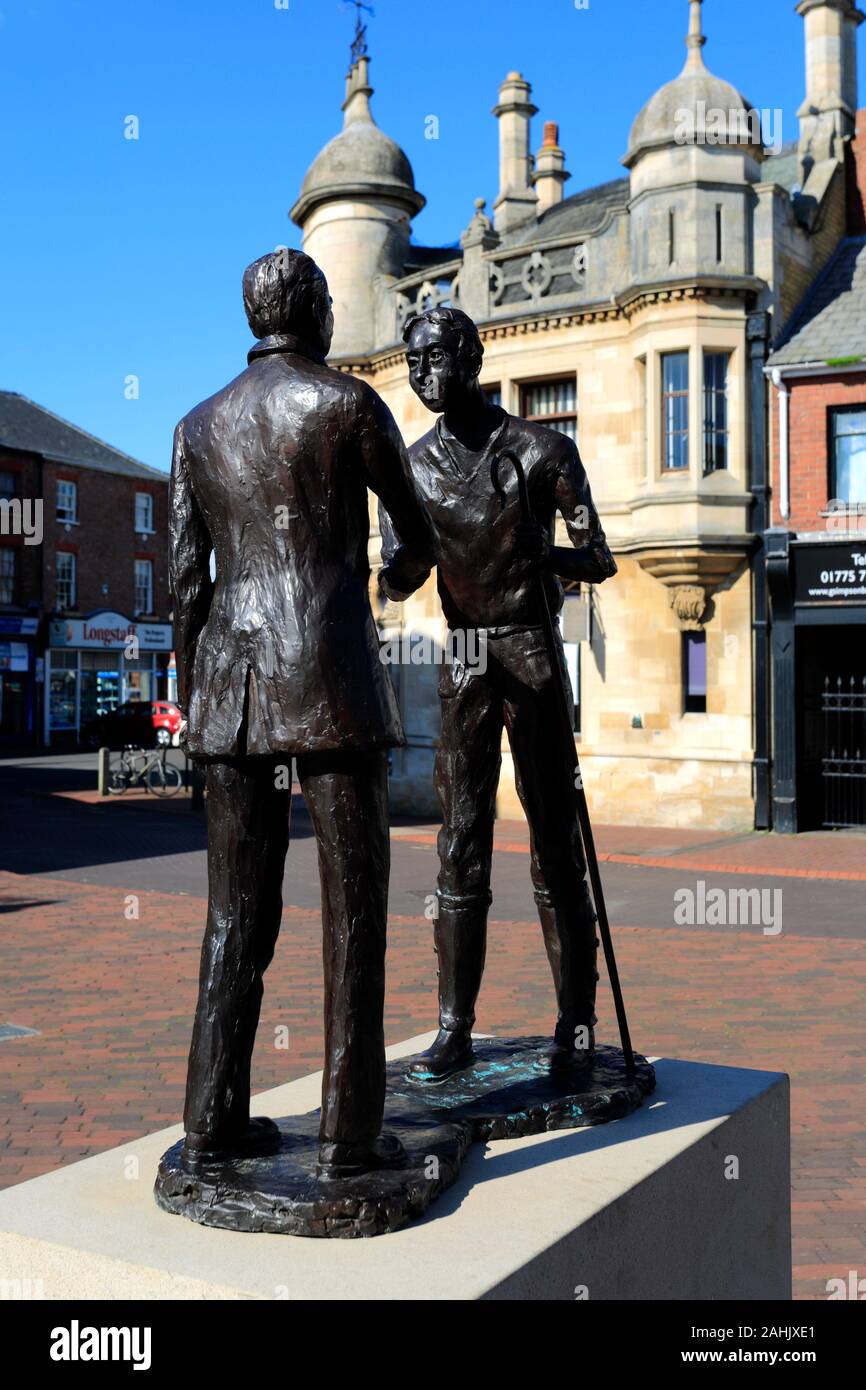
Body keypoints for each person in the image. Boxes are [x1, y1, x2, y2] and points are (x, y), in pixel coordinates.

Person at [170, 249, 436, 1176]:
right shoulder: (347, 404)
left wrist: (194, 693)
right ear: (316, 310)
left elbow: (183, 584)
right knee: (353, 907)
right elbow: (417, 530)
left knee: (232, 911)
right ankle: (349, 1133)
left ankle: (210, 1118)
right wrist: (392, 580)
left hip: (228, 690)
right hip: (327, 676)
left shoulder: (197, 426)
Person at [380, 306, 616, 1079]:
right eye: (411, 363)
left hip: (532, 650)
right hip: (466, 659)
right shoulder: (410, 469)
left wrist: (544, 555)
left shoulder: (542, 450)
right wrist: (399, 568)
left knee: (555, 846)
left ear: (472, 358)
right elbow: (399, 570)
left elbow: (600, 559)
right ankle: (453, 1027)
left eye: (434, 359)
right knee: (461, 846)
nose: (421, 376)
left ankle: (576, 1022)